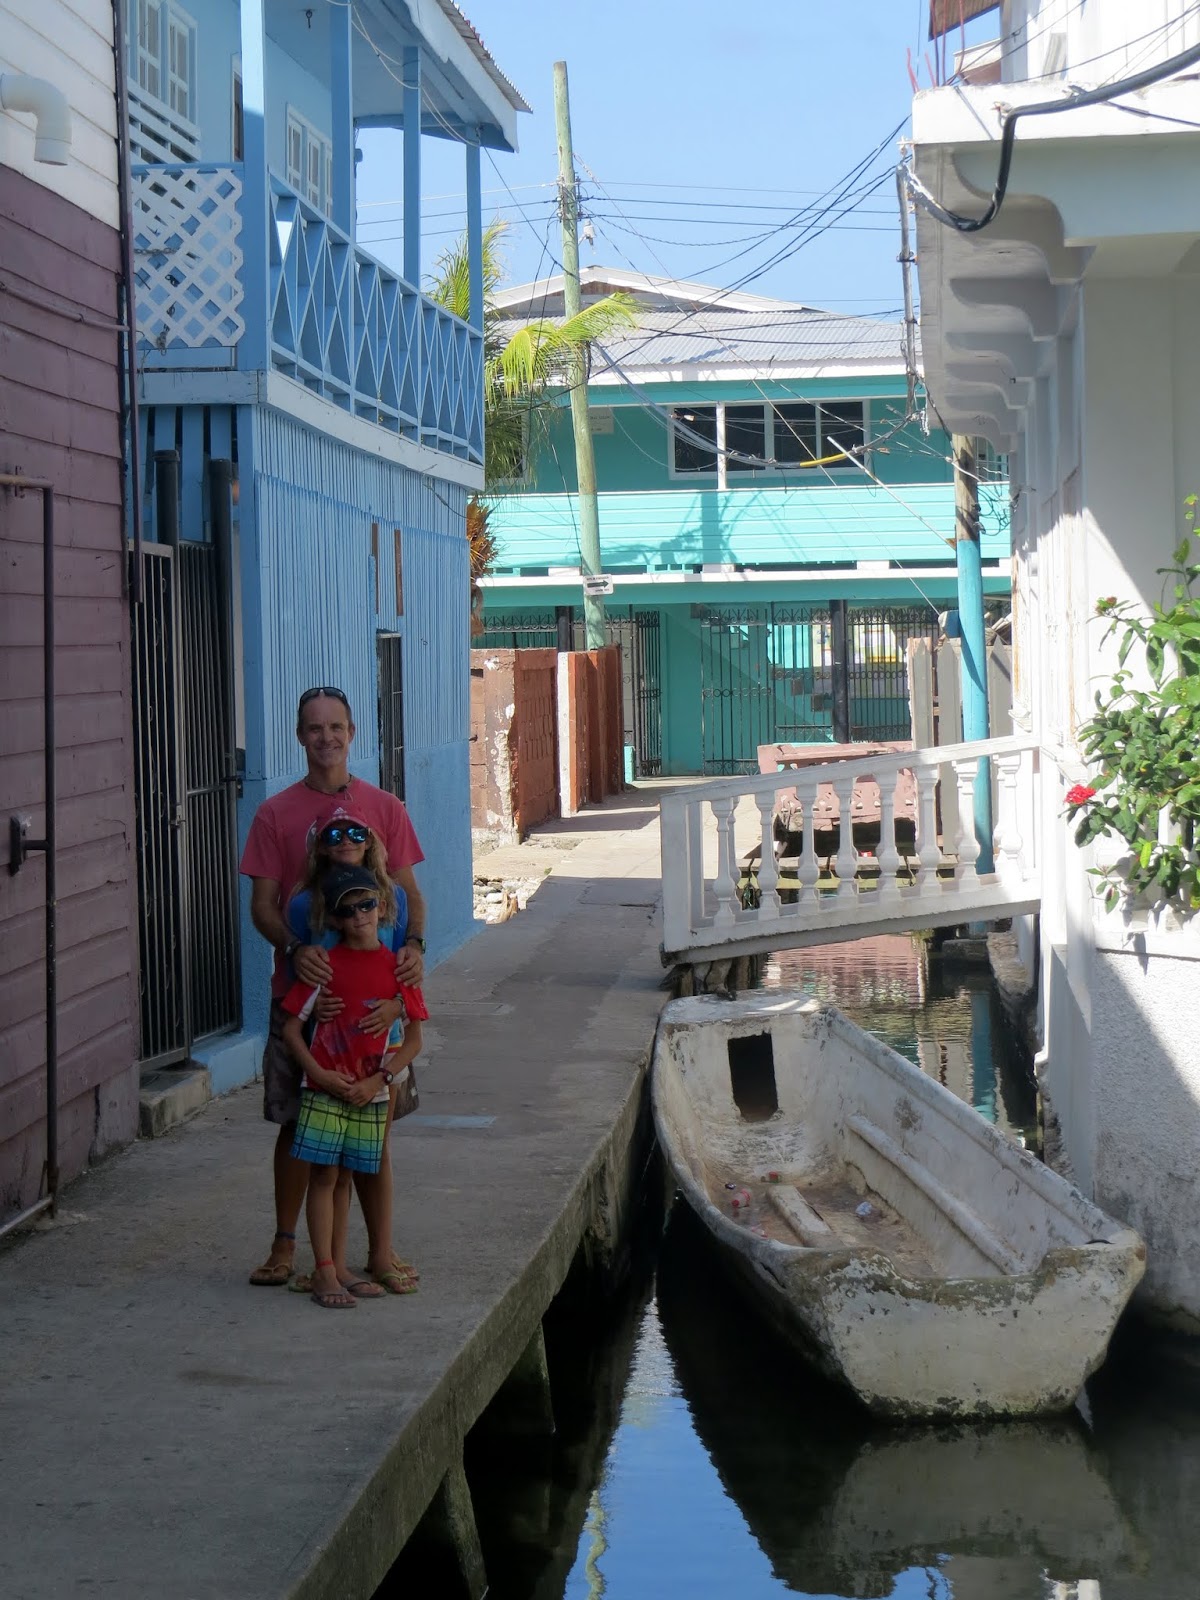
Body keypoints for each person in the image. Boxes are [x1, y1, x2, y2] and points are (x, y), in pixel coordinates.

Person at [240, 686, 426, 1290]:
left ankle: (379, 1253)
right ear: (300, 736)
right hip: (304, 999)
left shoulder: (384, 808)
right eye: (315, 728)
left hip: (375, 1012)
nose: (327, 738)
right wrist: (296, 950)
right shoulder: (275, 814)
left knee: (376, 1127)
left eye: (336, 727)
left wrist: (413, 954)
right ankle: (285, 1245)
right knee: (297, 1125)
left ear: (353, 733)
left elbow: (408, 897)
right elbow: (263, 906)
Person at [285, 813, 421, 1292]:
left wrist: (397, 1005)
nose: (359, 915)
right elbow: (298, 960)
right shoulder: (304, 903)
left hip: (379, 1054)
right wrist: (312, 1000)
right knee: (327, 1167)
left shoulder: (394, 895)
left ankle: (378, 1253)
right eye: (334, 835)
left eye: (356, 832)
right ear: (320, 847)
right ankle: (326, 1265)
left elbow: (406, 967)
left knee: (373, 1153)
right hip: (326, 1051)